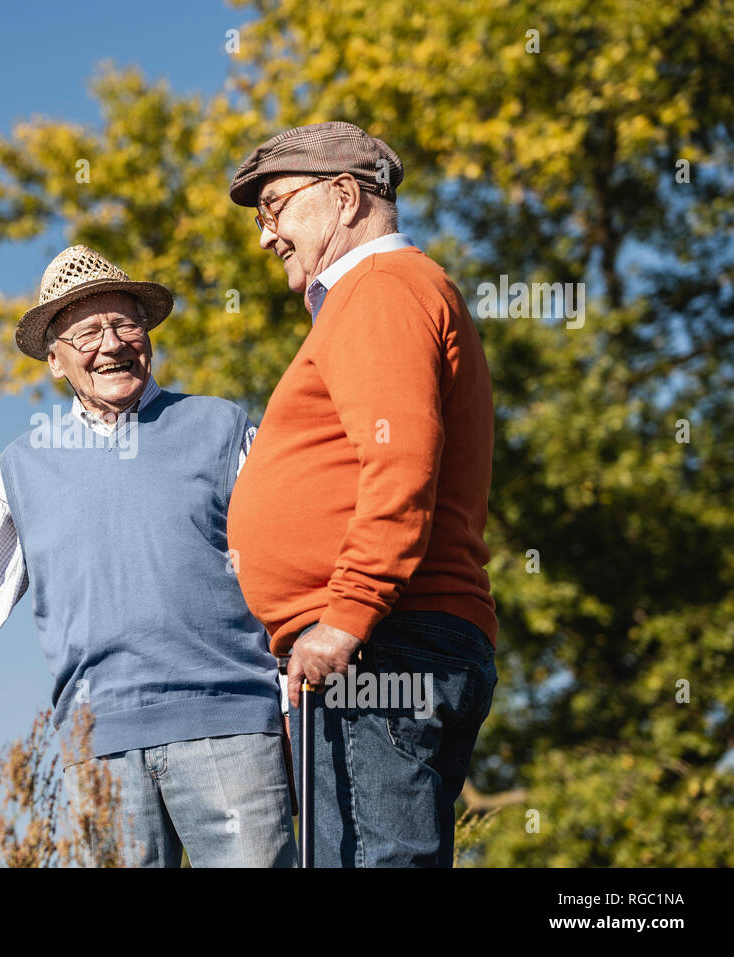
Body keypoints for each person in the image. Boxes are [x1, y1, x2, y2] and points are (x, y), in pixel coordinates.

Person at [0, 244, 296, 867]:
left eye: (125, 324)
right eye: (85, 332)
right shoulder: (26, 466)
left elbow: (289, 559)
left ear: (149, 336)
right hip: (99, 743)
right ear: (55, 361)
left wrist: (302, 693)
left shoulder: (219, 429)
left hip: (231, 727)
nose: (110, 343)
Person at [226, 121, 499, 866]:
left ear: (344, 196)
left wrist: (345, 618)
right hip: (379, 643)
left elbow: (400, 459)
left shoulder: (377, 289)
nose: (266, 236)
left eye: (275, 208)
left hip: (382, 643)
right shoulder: (378, 297)